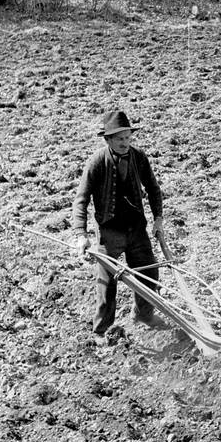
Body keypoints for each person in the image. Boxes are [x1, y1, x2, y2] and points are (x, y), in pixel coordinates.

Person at [72, 108, 173, 344]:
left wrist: (158, 220)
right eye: (119, 139)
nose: (125, 143)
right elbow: (81, 199)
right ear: (107, 140)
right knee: (106, 283)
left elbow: (153, 189)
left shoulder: (139, 157)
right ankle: (100, 331)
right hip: (110, 231)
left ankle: (144, 316)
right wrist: (81, 234)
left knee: (149, 275)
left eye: (128, 138)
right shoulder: (97, 162)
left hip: (137, 228)